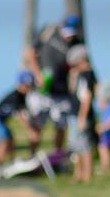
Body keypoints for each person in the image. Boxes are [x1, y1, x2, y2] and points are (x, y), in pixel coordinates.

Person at [27, 15, 83, 150]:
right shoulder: (48, 32)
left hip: (61, 92)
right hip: (41, 91)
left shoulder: (77, 43)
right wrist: (38, 75)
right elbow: (30, 53)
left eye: (72, 33)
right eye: (67, 32)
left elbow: (78, 65)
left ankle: (56, 157)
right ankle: (32, 156)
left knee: (61, 126)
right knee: (37, 125)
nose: (69, 37)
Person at [0, 71, 34, 165]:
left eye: (30, 86)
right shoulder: (15, 96)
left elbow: (25, 112)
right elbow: (19, 115)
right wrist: (29, 130)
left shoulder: (22, 96)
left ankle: (12, 162)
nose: (28, 88)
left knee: (11, 139)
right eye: (26, 85)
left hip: (2, 121)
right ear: (20, 84)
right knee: (4, 139)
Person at [66, 45, 98, 183]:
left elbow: (88, 97)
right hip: (74, 114)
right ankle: (78, 173)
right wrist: (73, 77)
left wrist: (82, 116)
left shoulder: (88, 74)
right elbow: (73, 91)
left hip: (81, 115)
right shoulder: (79, 74)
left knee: (84, 146)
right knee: (75, 146)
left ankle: (87, 174)